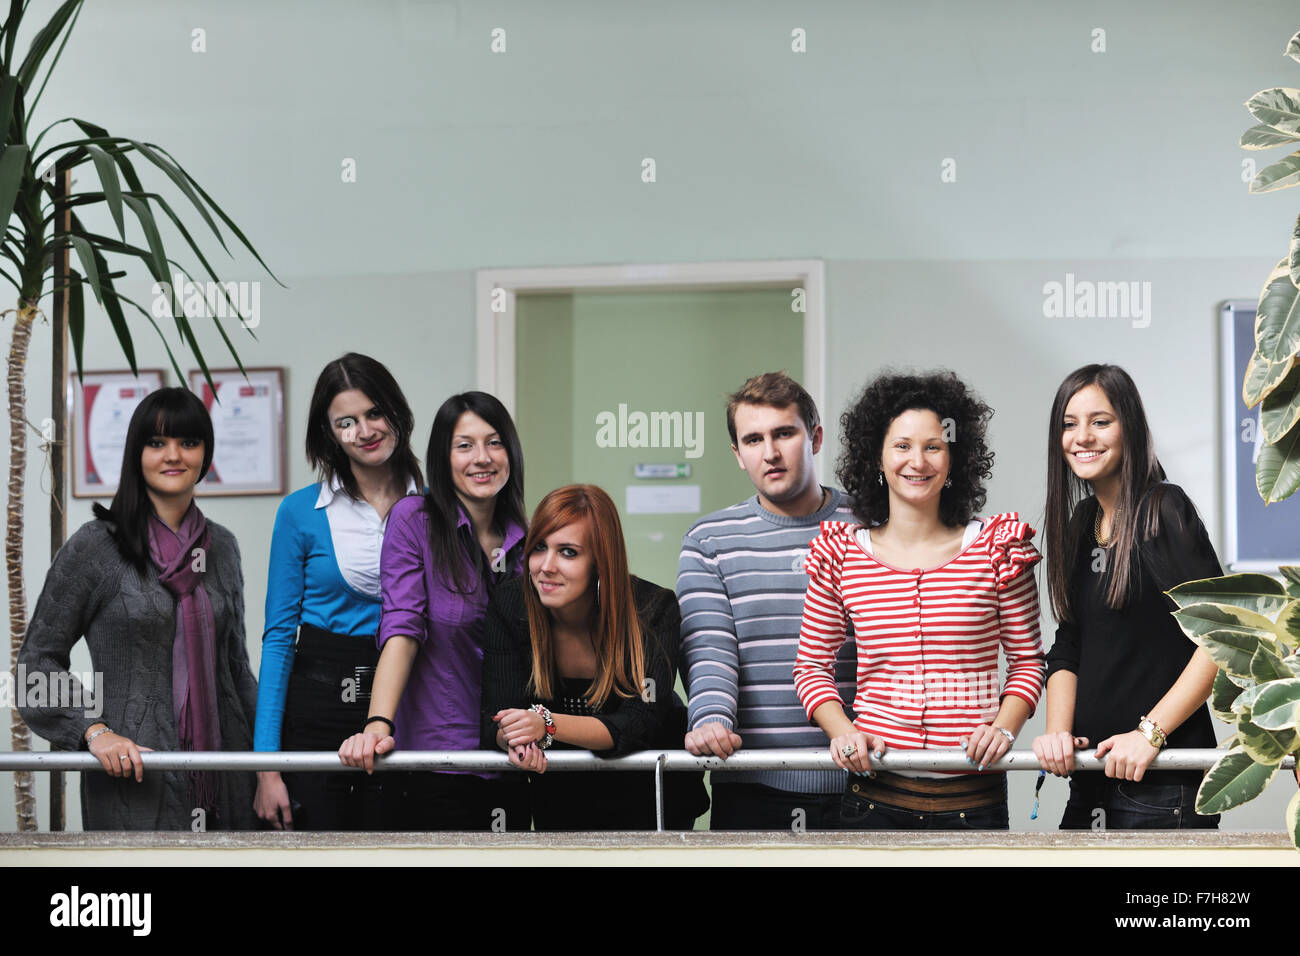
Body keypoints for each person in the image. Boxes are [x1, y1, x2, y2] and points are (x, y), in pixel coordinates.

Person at [793, 370, 1046, 830]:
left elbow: (1029, 662)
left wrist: (1004, 728)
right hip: (873, 799)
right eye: (902, 446)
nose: (918, 461)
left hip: (975, 799)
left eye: (934, 446)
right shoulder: (840, 554)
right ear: (877, 456)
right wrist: (843, 730)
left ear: (954, 458)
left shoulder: (999, 548)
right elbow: (810, 667)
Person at [19, 387, 257, 830]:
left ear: (205, 454)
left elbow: (237, 672)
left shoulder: (222, 547)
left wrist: (270, 769)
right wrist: (94, 732)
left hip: (229, 780)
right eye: (156, 443)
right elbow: (36, 667)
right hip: (134, 783)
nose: (173, 455)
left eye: (188, 442)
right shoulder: (97, 546)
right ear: (136, 453)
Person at [1031, 364, 1222, 829]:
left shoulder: (1164, 509)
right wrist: (1056, 730)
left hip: (1162, 784)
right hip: (1093, 773)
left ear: (1129, 428)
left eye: (1101, 421)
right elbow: (1070, 643)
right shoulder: (1081, 522)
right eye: (1069, 424)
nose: (1083, 437)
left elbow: (1221, 635)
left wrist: (1149, 734)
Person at [338, 391, 528, 830]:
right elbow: (402, 629)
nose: (482, 458)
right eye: (464, 445)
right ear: (443, 458)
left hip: (514, 761)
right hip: (434, 761)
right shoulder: (414, 520)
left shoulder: (527, 540)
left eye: (495, 442)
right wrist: (378, 723)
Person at [678, 371, 857, 830]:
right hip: (751, 783)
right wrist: (711, 721)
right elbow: (710, 653)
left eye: (784, 433)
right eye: (753, 439)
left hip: (866, 781)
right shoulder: (710, 541)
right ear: (738, 455)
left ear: (814, 437)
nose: (771, 453)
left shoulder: (871, 527)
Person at [253, 354, 423, 830]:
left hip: (408, 709)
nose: (364, 430)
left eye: (374, 413)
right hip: (316, 713)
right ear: (329, 433)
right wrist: (266, 767)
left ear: (397, 413)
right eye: (345, 422)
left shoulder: (433, 508)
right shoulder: (299, 512)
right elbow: (279, 639)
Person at [483, 484, 709, 831]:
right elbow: (498, 714)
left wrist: (545, 724)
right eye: (539, 547)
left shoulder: (652, 609)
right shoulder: (511, 604)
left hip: (652, 794)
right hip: (561, 792)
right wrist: (514, 738)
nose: (546, 566)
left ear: (601, 561)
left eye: (568, 552)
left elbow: (639, 724)